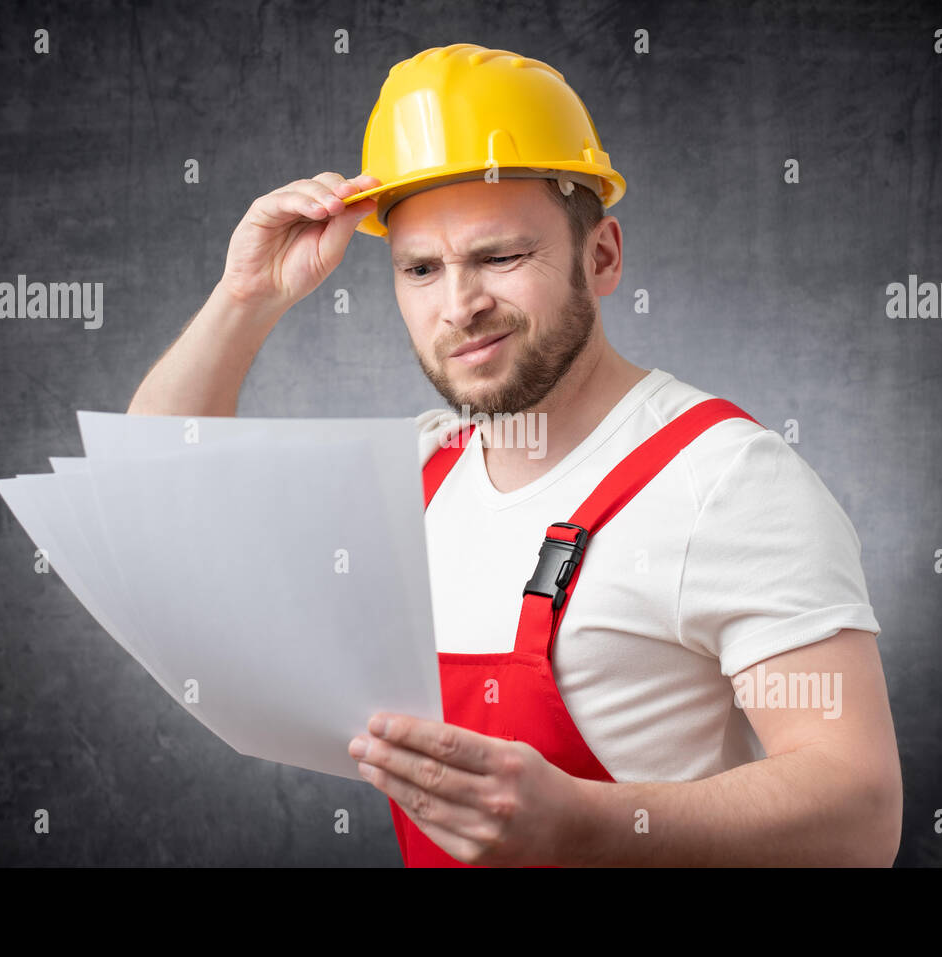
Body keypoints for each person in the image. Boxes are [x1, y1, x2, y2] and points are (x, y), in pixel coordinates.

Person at [128, 43, 901, 868]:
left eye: (501, 257)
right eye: (421, 268)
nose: (460, 305)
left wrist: (588, 824)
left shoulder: (728, 480)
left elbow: (859, 811)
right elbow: (151, 498)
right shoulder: (417, 478)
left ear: (601, 257)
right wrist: (244, 298)